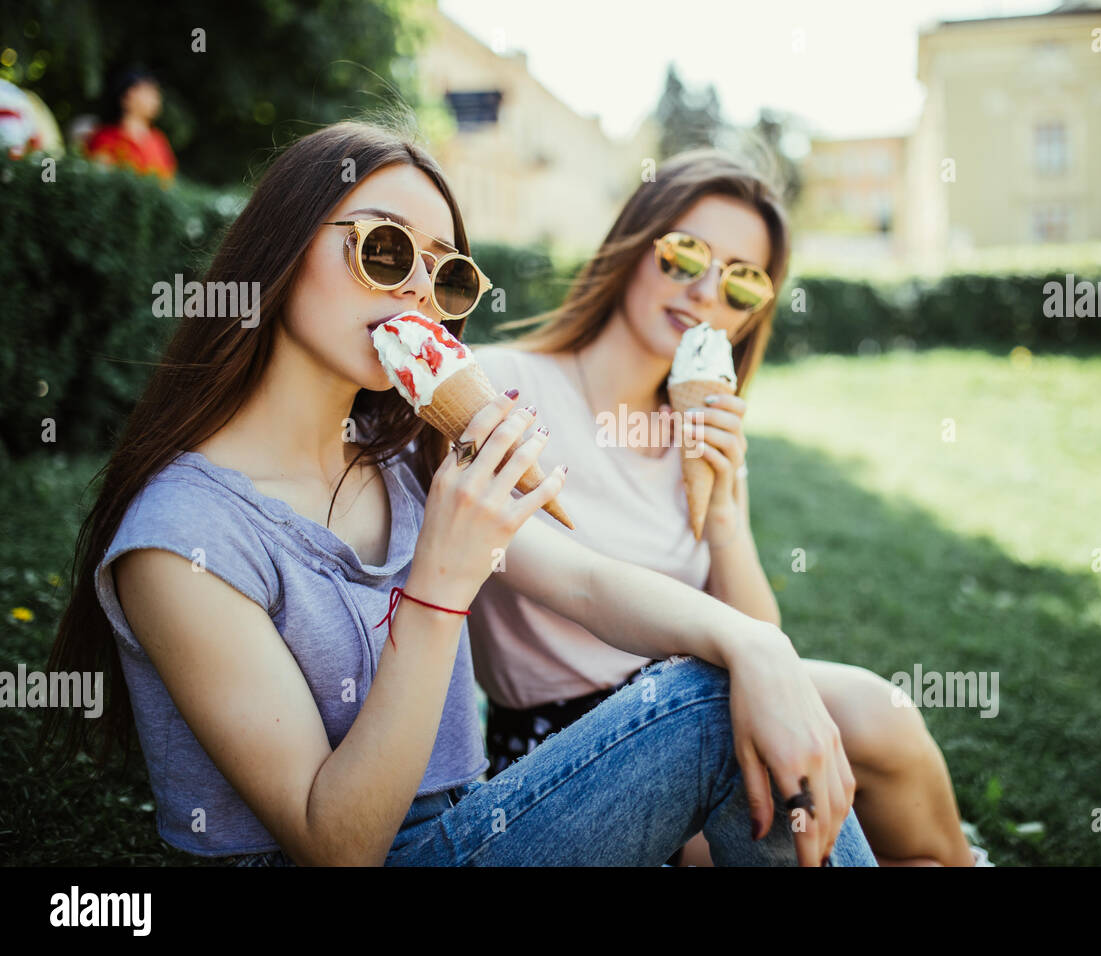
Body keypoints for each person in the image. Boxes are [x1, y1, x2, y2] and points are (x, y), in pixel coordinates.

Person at [36, 118, 875, 867]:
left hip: (474, 825)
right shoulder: (181, 539)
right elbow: (336, 844)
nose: (415, 295)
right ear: (284, 250)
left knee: (724, 678)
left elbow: (585, 582)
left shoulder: (402, 464)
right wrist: (438, 587)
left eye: (445, 280)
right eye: (387, 250)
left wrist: (758, 646)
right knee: (705, 709)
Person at [469, 149, 982, 867]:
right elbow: (576, 581)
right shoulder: (500, 387)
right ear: (634, 245)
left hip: (704, 688)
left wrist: (724, 513)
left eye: (744, 280)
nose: (707, 290)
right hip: (571, 738)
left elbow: (764, 640)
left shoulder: (699, 428)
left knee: (881, 714)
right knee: (774, 812)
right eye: (686, 254)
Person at [85, 67, 177, 182]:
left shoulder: (159, 142)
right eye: (147, 92)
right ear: (125, 97)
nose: (156, 99)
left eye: (156, 93)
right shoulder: (105, 138)